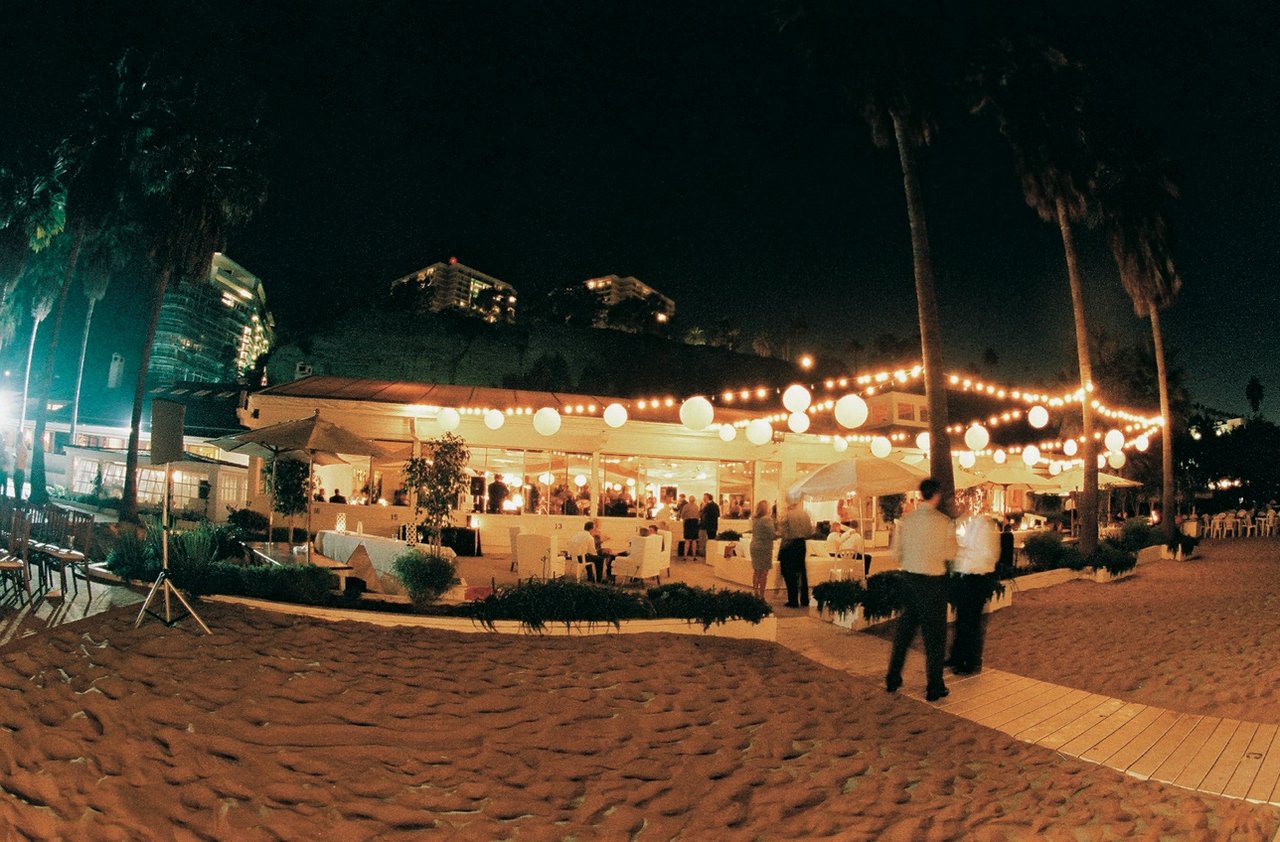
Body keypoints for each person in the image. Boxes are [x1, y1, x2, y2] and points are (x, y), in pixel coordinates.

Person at [885, 478, 957, 702]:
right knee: (934, 637)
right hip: (933, 583)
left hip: (909, 580)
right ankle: (934, 686)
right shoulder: (944, 522)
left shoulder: (906, 521)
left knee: (904, 632)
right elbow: (951, 553)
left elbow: (895, 553)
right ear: (935, 495)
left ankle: (893, 677)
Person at [948, 510, 1001, 675]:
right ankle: (957, 657)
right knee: (963, 620)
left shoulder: (986, 528)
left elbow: (987, 555)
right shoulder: (970, 525)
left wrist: (964, 552)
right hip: (966, 579)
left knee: (971, 621)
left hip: (976, 580)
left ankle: (970, 662)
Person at [777, 496, 814, 608]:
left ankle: (793, 600)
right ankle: (804, 599)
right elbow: (810, 531)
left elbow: (782, 531)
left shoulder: (787, 516)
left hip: (789, 545)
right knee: (802, 572)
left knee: (789, 573)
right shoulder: (805, 514)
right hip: (801, 544)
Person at [748, 500, 776, 601]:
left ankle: (755, 591)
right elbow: (772, 534)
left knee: (756, 571)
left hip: (754, 545)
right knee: (764, 573)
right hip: (764, 547)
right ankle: (762, 595)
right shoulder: (767, 519)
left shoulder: (754, 519)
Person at [678, 495, 701, 559]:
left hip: (688, 523)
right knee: (694, 540)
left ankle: (685, 556)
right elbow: (699, 515)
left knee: (687, 540)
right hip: (695, 523)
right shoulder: (696, 506)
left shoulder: (686, 506)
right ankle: (694, 556)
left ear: (689, 500)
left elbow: (682, 515)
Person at [699, 493, 720, 557]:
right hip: (714, 525)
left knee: (708, 540)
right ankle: (712, 554)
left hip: (707, 525)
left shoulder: (707, 506)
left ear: (708, 498)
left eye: (705, 497)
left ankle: (709, 555)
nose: (703, 499)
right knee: (712, 539)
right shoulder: (716, 505)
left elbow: (702, 514)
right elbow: (718, 515)